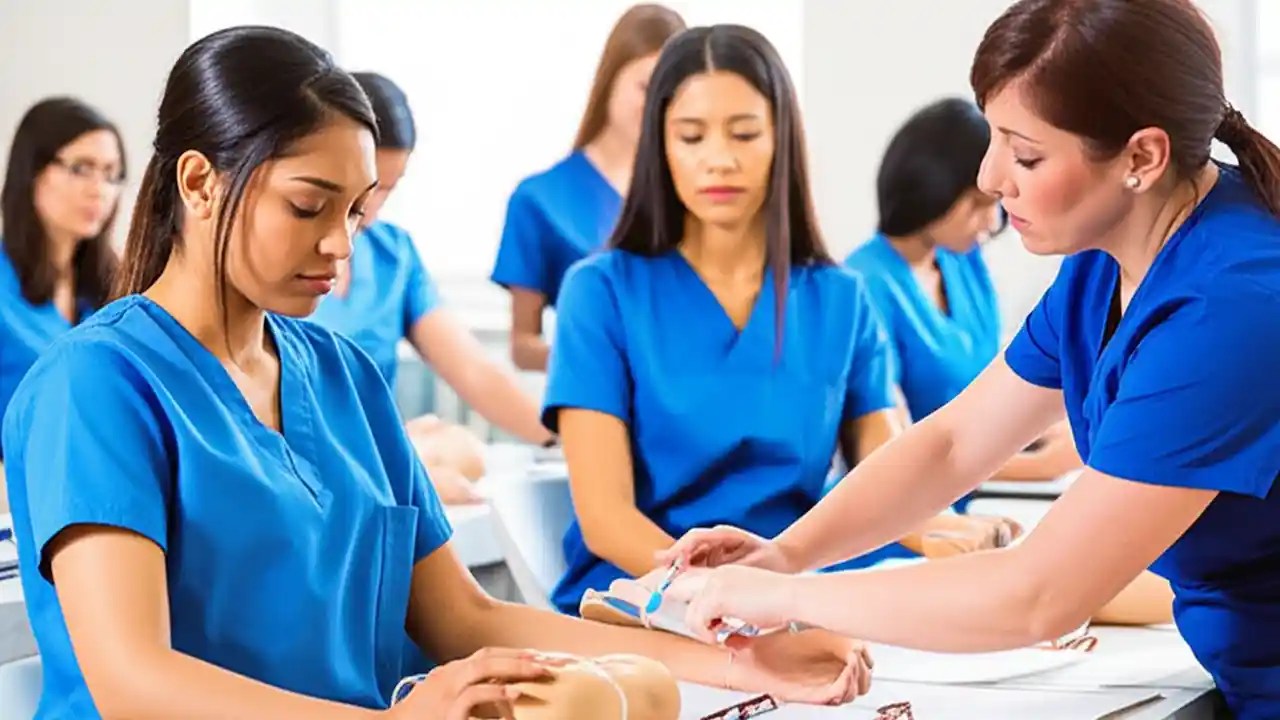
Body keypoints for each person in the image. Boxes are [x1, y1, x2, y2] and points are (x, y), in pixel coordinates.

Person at [0, 26, 872, 718]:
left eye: (355, 212)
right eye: (308, 207)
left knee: (627, 694)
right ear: (199, 181)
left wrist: (739, 661)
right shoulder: (98, 385)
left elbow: (465, 618)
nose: (340, 247)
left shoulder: (339, 377)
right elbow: (133, 683)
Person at [660, 1, 1280, 717]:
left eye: (1026, 155)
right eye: (992, 138)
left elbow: (1038, 596)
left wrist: (785, 597)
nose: (989, 177)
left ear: (1142, 157)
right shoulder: (1106, 260)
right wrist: (788, 554)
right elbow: (955, 443)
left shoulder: (1232, 306)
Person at [543, 24, 1018, 616]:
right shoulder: (601, 292)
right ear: (660, 148)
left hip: (797, 583)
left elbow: (885, 462)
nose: (718, 159)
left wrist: (940, 532)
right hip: (649, 589)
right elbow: (606, 519)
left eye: (743, 134)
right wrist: (713, 593)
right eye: (690, 136)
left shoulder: (841, 298)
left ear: (782, 140)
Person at [309, 71, 553, 504]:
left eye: (387, 188)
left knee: (462, 454)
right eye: (365, 187)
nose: (370, 208)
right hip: (315, 465)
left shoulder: (392, 255)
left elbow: (474, 371)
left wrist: (568, 441)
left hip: (374, 457)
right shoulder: (280, 265)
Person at [845, 97, 1081, 490]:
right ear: (929, 191)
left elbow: (987, 391)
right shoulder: (865, 285)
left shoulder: (962, 262)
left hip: (975, 487)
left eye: (997, 204)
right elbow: (891, 450)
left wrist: (1043, 435)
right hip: (912, 504)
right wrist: (1042, 466)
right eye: (977, 204)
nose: (992, 222)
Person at [491, 4, 686, 371]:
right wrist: (603, 360)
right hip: (593, 409)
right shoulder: (539, 200)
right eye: (646, 87)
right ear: (611, 78)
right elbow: (523, 345)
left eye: (670, 94)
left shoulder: (693, 196)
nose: (656, 108)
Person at [0, 97, 124, 442]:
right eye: (81, 168)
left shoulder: (115, 286)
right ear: (32, 170)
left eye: (112, 175)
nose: (99, 190)